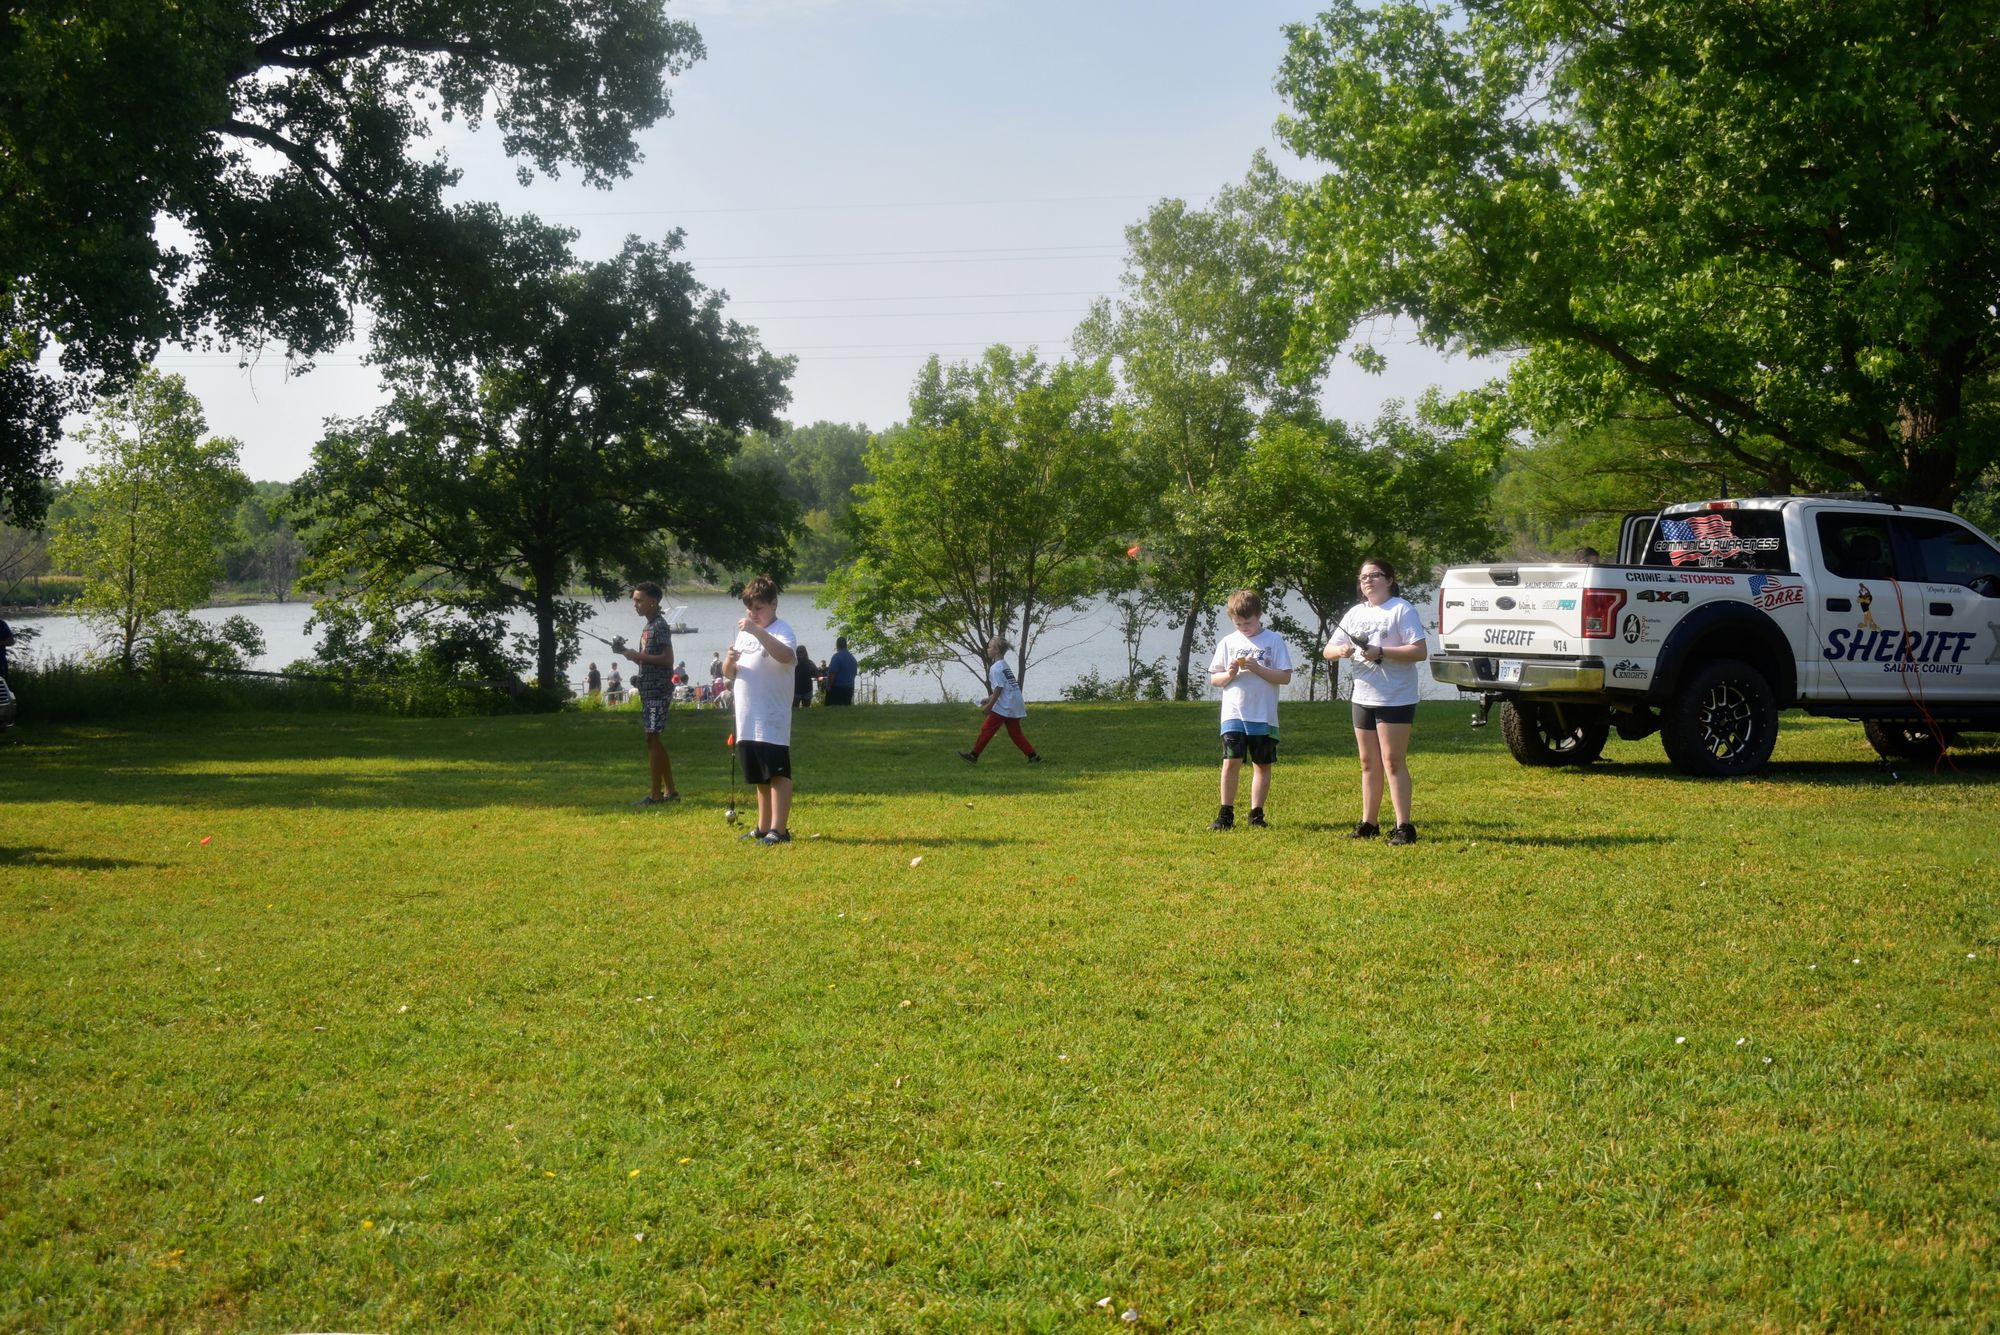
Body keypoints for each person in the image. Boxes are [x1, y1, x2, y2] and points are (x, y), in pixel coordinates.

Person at [1323, 557, 1429, 845]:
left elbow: (1419, 651)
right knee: (1368, 762)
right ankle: (1369, 823)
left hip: (1395, 697)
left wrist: (1382, 651)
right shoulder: (1355, 613)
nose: (1367, 580)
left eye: (1374, 575)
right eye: (1362, 577)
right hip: (1362, 697)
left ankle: (1404, 827)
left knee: (1393, 761)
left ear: (1389, 580)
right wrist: (1342, 650)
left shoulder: (1401, 609)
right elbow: (1327, 650)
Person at [1206, 590, 1293, 830]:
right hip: (1234, 713)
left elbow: (1284, 677)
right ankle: (1225, 814)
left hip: (1263, 715)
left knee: (1261, 764)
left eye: (1249, 623)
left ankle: (1256, 814)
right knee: (1230, 761)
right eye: (1239, 623)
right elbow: (1216, 679)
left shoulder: (1273, 640)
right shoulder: (1228, 642)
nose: (1244, 628)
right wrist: (1230, 673)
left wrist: (1258, 669)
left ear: (1259, 615)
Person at [723, 575, 799, 846]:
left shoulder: (782, 630)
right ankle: (762, 826)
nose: (753, 614)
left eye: (759, 608)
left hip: (772, 717)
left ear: (773, 604)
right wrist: (729, 662)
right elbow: (729, 673)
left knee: (777, 774)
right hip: (747, 718)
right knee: (759, 777)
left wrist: (757, 631)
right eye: (749, 609)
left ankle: (780, 830)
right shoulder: (744, 634)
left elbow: (786, 656)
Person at [616, 582, 680, 806]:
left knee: (651, 738)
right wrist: (627, 653)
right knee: (653, 738)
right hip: (648, 689)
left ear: (652, 601)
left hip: (657, 690)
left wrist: (639, 656)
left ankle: (655, 795)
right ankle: (670, 791)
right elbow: (647, 657)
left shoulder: (659, 626)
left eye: (639, 600)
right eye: (634, 600)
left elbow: (667, 659)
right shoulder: (649, 626)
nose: (635, 604)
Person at [958, 635, 1041, 763]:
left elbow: (999, 689)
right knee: (1015, 732)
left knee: (987, 728)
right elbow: (1004, 687)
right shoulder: (1004, 665)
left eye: (989, 647)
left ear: (996, 650)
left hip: (1006, 705)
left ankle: (973, 756)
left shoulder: (995, 668)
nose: (987, 649)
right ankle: (1033, 757)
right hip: (1015, 702)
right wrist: (988, 698)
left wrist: (989, 705)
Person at [824, 636, 859, 706]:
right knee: (845, 711)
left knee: (832, 710)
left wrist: (828, 686)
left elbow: (832, 674)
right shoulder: (853, 658)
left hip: (837, 689)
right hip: (849, 689)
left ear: (837, 645)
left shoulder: (836, 657)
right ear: (846, 645)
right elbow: (854, 674)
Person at [793, 644, 817, 709]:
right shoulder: (794, 663)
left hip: (807, 690)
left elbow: (816, 675)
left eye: (802, 651)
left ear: (805, 652)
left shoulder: (810, 663)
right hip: (796, 690)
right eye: (798, 652)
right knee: (795, 709)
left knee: (806, 709)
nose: (800, 653)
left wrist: (814, 670)